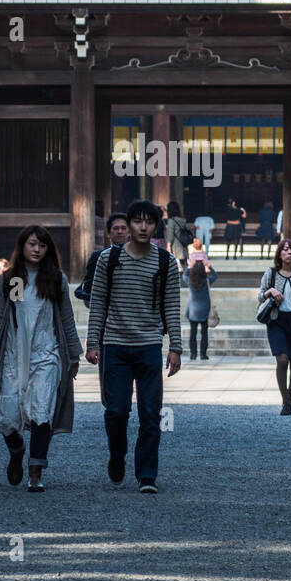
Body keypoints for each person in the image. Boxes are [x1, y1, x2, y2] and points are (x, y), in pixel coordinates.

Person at [0, 226, 81, 492]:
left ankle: (35, 471)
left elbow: (66, 318)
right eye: (32, 244)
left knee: (42, 411)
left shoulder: (55, 279)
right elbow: (1, 316)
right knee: (8, 412)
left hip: (46, 352)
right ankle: (16, 451)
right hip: (14, 351)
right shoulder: (11, 279)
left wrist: (73, 353)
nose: (36, 249)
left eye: (42, 245)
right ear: (22, 246)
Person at [86, 199, 182, 493]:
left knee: (151, 413)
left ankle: (147, 474)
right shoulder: (109, 259)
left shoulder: (166, 262)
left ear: (156, 226)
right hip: (115, 344)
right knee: (115, 411)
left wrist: (175, 346)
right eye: (137, 221)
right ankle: (117, 454)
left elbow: (172, 306)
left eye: (149, 221)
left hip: (149, 344)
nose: (143, 227)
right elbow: (98, 301)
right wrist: (92, 341)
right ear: (127, 225)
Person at [258, 238, 291, 416]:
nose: (289, 252)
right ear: (279, 254)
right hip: (276, 321)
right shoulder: (271, 273)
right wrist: (270, 291)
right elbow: (260, 296)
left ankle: (289, 395)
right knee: (282, 360)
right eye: (285, 250)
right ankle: (285, 400)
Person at [76, 213, 129, 306]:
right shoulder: (98, 256)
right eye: (116, 228)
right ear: (108, 233)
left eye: (124, 228)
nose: (120, 231)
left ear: (129, 232)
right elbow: (87, 288)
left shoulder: (138, 256)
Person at [185, 259, 217, 360]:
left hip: (193, 311)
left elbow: (184, 275)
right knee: (204, 333)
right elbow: (215, 276)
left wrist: (190, 266)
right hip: (204, 311)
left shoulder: (190, 281)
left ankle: (193, 354)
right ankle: (203, 354)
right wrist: (209, 266)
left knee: (192, 334)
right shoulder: (207, 281)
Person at [164, 202, 193, 269]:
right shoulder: (183, 220)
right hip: (183, 245)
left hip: (175, 246)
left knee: (177, 267)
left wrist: (168, 246)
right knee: (184, 265)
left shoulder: (171, 221)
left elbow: (170, 234)